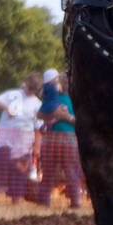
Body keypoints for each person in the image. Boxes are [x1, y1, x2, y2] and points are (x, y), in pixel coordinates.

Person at [0, 73, 42, 201]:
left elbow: (38, 128)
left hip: (23, 145)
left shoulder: (38, 105)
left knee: (19, 174)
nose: (28, 89)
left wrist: (37, 148)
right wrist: (7, 107)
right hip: (4, 142)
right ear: (25, 83)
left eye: (32, 88)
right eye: (28, 86)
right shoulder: (13, 95)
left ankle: (15, 202)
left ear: (35, 89)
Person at [37, 70, 82, 208]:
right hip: (50, 138)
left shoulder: (79, 98)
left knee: (71, 172)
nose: (66, 81)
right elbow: (39, 115)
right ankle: (43, 203)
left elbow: (82, 122)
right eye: (64, 78)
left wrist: (66, 117)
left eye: (69, 78)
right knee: (48, 171)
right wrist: (53, 114)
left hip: (70, 140)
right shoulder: (52, 96)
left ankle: (75, 203)